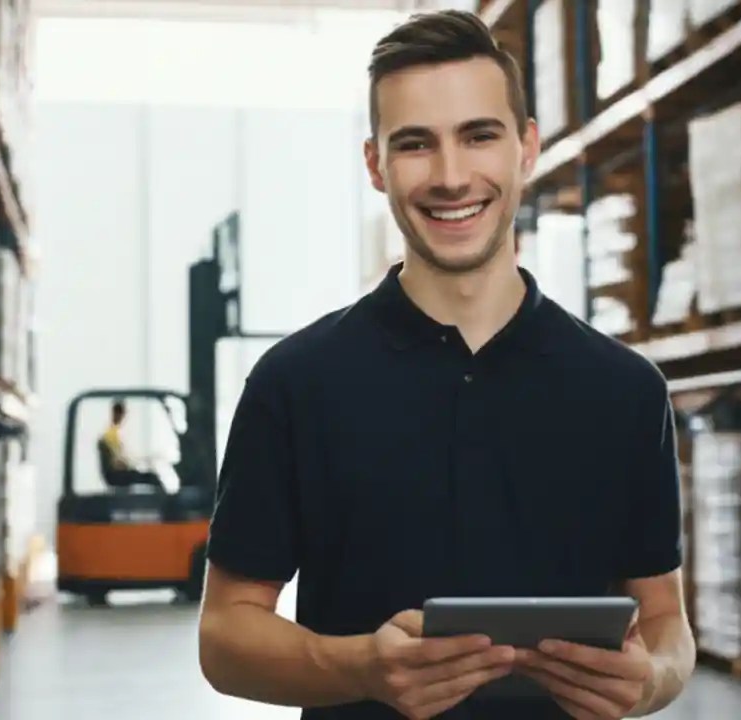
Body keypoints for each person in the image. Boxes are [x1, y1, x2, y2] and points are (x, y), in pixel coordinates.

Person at [197, 10, 694, 719]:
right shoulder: (295, 384)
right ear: (375, 164)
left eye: (479, 136)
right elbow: (223, 635)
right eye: (415, 145)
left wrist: (652, 680)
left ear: (526, 147)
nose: (452, 176)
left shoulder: (625, 390)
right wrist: (361, 668)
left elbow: (666, 622)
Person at [99, 400, 165, 492]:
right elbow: (117, 462)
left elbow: (121, 458)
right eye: (122, 414)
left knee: (149, 477)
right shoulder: (111, 435)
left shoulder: (113, 432)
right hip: (116, 475)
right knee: (152, 478)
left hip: (117, 474)